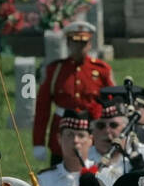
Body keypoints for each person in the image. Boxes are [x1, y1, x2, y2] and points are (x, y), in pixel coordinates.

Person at [31, 20, 114, 164]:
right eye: (75, 42)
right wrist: (39, 142)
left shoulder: (101, 70)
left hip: (92, 132)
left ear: (89, 44)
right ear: (68, 43)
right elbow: (42, 108)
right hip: (62, 134)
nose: (79, 47)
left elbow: (112, 103)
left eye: (83, 43)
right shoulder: (56, 70)